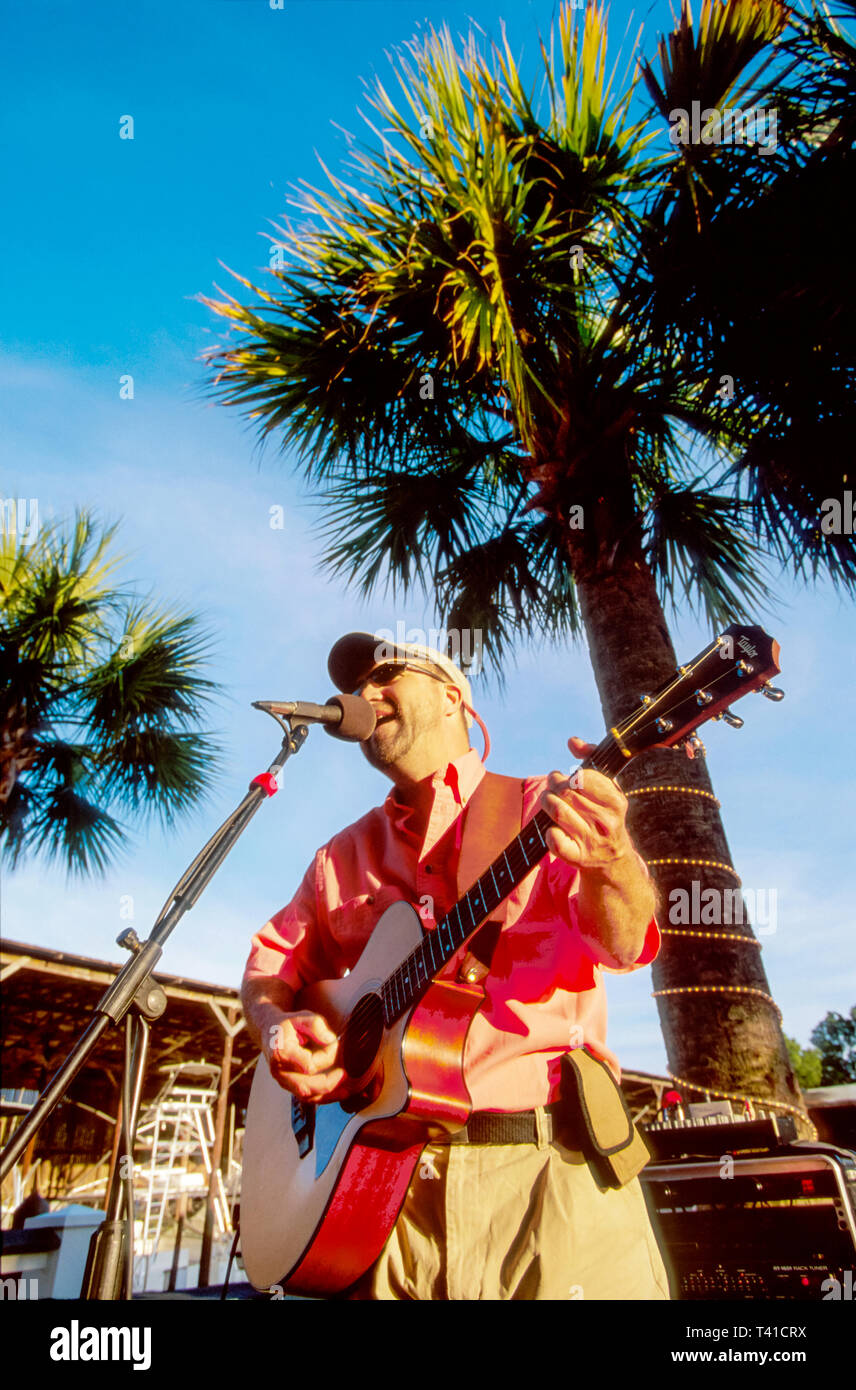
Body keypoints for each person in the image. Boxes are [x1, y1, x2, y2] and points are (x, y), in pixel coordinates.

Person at [241, 631, 671, 1301]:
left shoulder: (541, 808)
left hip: (545, 1185)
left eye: (387, 675)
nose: (364, 696)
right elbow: (271, 966)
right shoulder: (339, 858)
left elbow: (623, 944)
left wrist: (611, 861)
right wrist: (276, 1023)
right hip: (375, 1206)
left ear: (453, 698)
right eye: (356, 688)